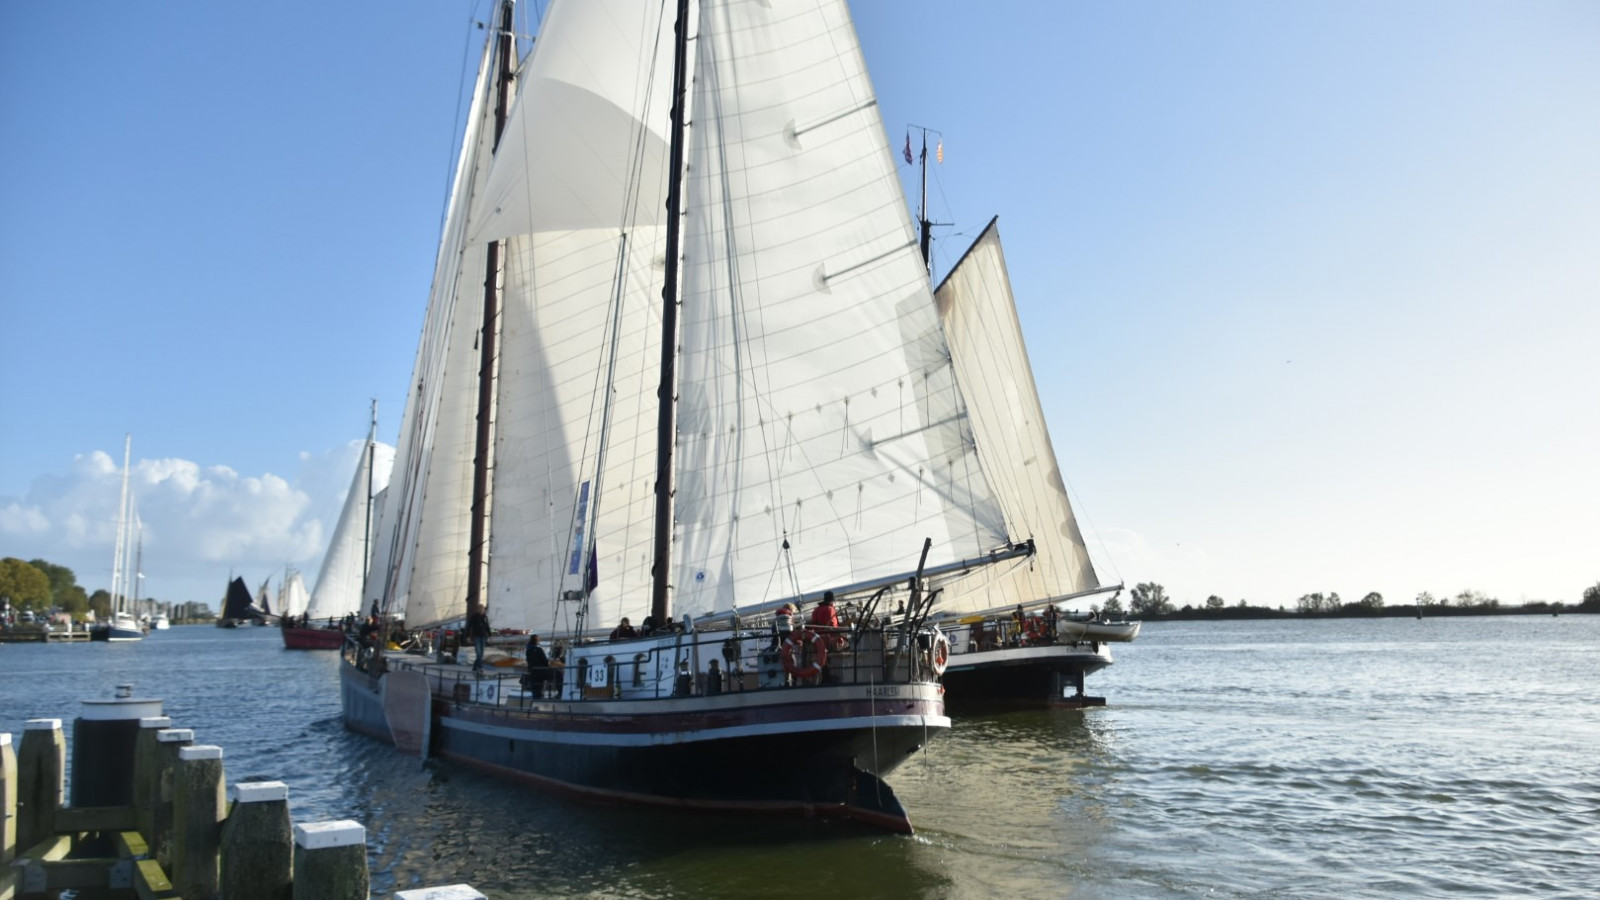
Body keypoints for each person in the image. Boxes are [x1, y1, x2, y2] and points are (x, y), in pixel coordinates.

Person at [465, 606, 491, 672]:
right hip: (477, 637)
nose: (483, 611)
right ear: (478, 610)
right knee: (478, 653)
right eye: (481, 609)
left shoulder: (485, 617)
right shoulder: (474, 617)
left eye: (483, 610)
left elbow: (487, 627)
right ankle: (480, 667)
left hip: (483, 637)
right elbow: (469, 626)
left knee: (481, 654)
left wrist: (490, 635)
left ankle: (474, 667)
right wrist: (468, 636)